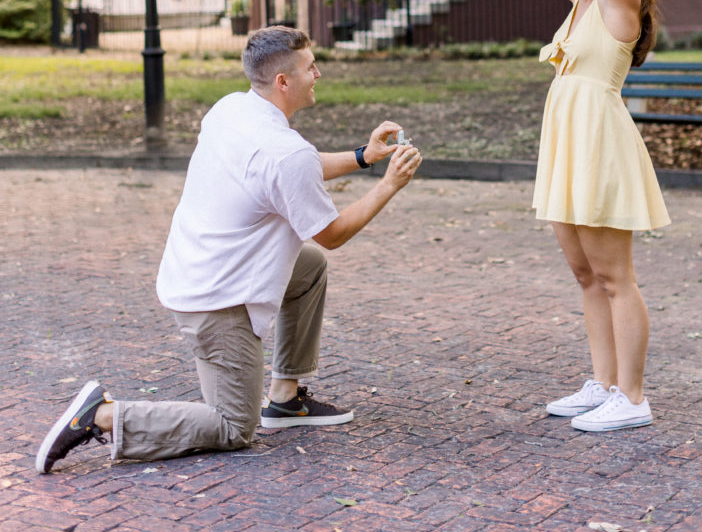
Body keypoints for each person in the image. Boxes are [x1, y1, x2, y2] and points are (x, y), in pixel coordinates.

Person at [36, 25, 422, 473]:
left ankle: (286, 398)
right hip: (215, 302)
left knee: (308, 266)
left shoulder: (232, 110)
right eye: (310, 66)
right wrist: (389, 184)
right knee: (233, 425)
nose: (318, 73)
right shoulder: (283, 152)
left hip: (194, 268)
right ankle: (102, 416)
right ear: (283, 81)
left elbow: (295, 170)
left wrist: (363, 156)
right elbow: (332, 233)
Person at [521, 0, 669, 433]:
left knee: (615, 277)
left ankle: (632, 397)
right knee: (586, 275)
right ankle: (604, 385)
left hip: (598, 145)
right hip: (568, 146)